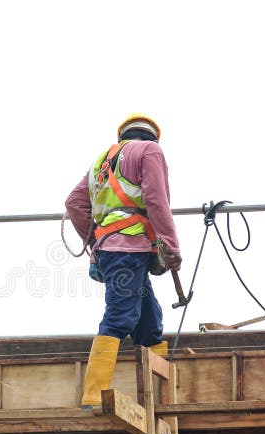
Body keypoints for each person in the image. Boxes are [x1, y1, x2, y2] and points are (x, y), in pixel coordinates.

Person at [65, 114, 182, 409]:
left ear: (124, 137)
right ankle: (93, 395)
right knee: (119, 318)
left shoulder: (101, 162)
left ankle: (160, 397)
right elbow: (156, 200)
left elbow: (74, 204)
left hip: (117, 253)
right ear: (153, 137)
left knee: (149, 324)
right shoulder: (150, 152)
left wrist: (96, 242)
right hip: (129, 252)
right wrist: (170, 246)